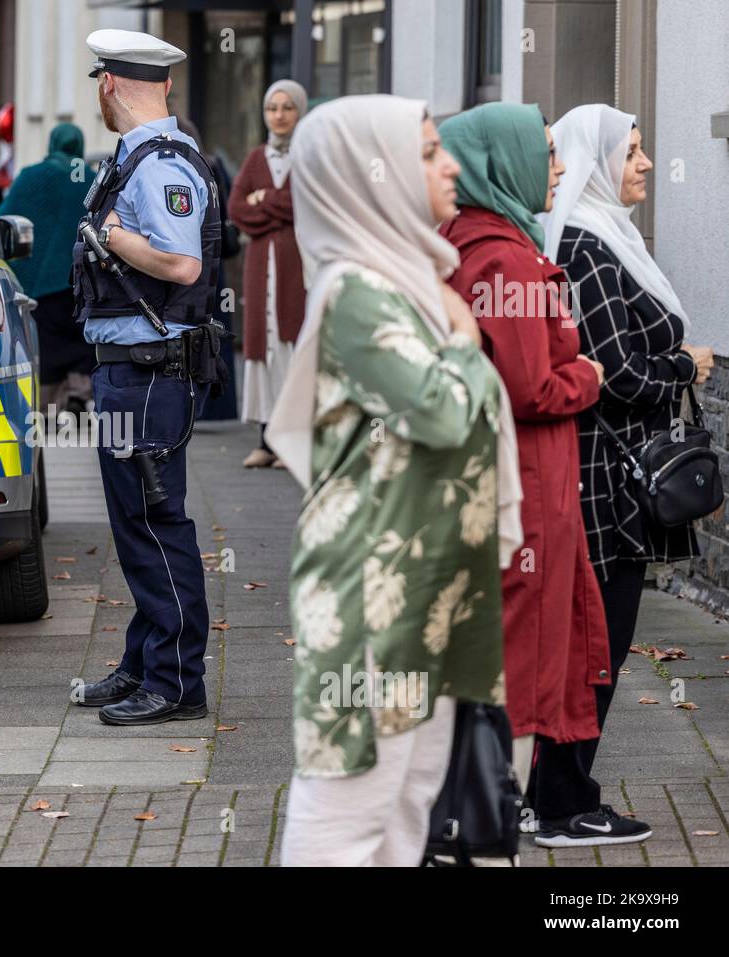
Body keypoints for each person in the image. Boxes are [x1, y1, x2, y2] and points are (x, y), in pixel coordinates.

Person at [267, 94, 522, 867]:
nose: (449, 165)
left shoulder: (406, 281)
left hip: (427, 580)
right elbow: (444, 414)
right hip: (372, 595)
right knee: (350, 802)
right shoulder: (358, 293)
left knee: (408, 804)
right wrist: (466, 338)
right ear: (364, 176)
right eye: (425, 151)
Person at [527, 104, 714, 847]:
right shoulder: (587, 245)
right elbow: (616, 371)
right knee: (596, 641)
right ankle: (563, 804)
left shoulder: (607, 236)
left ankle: (551, 792)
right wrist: (685, 364)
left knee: (594, 638)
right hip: (605, 477)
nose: (643, 164)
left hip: (612, 470)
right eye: (631, 152)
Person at [438, 103, 612, 812]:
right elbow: (528, 385)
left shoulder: (482, 241)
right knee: (523, 654)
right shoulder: (504, 254)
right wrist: (589, 376)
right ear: (504, 163)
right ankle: (491, 816)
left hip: (509, 474)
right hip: (528, 480)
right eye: (545, 151)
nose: (561, 165)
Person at [69, 28, 227, 725]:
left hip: (150, 374)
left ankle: (174, 681)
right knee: (141, 523)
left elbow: (183, 264)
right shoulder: (142, 158)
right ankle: (145, 661)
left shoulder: (160, 165)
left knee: (156, 523)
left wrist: (117, 239)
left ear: (110, 85)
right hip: (135, 371)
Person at [229, 80, 308, 468]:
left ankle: (294, 441)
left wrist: (266, 200)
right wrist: (271, 207)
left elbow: (306, 202)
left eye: (287, 108)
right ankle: (266, 439)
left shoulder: (310, 154)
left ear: (300, 112)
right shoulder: (256, 158)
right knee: (263, 350)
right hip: (262, 268)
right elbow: (236, 208)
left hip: (297, 267)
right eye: (272, 108)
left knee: (294, 347)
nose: (279, 115)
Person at [0, 123, 95, 414]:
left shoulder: (31, 177)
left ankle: (48, 405)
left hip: (42, 281)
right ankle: (79, 393)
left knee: (47, 341)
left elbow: (5, 218)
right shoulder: (90, 178)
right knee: (81, 338)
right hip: (82, 280)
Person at [177, 115, 240, 422]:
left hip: (189, 259)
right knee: (217, 332)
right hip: (214, 260)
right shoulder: (213, 164)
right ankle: (220, 403)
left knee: (190, 329)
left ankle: (193, 400)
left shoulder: (181, 167)